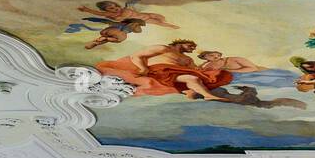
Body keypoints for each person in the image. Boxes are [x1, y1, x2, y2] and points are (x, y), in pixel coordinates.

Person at [95, 39, 232, 99]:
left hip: (177, 73)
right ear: (181, 42)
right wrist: (143, 68)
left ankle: (198, 93)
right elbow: (137, 56)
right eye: (191, 46)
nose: (192, 49)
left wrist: (209, 63)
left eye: (193, 48)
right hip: (160, 71)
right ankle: (205, 95)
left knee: (200, 76)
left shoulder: (188, 59)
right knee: (192, 77)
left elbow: (196, 69)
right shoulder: (163, 48)